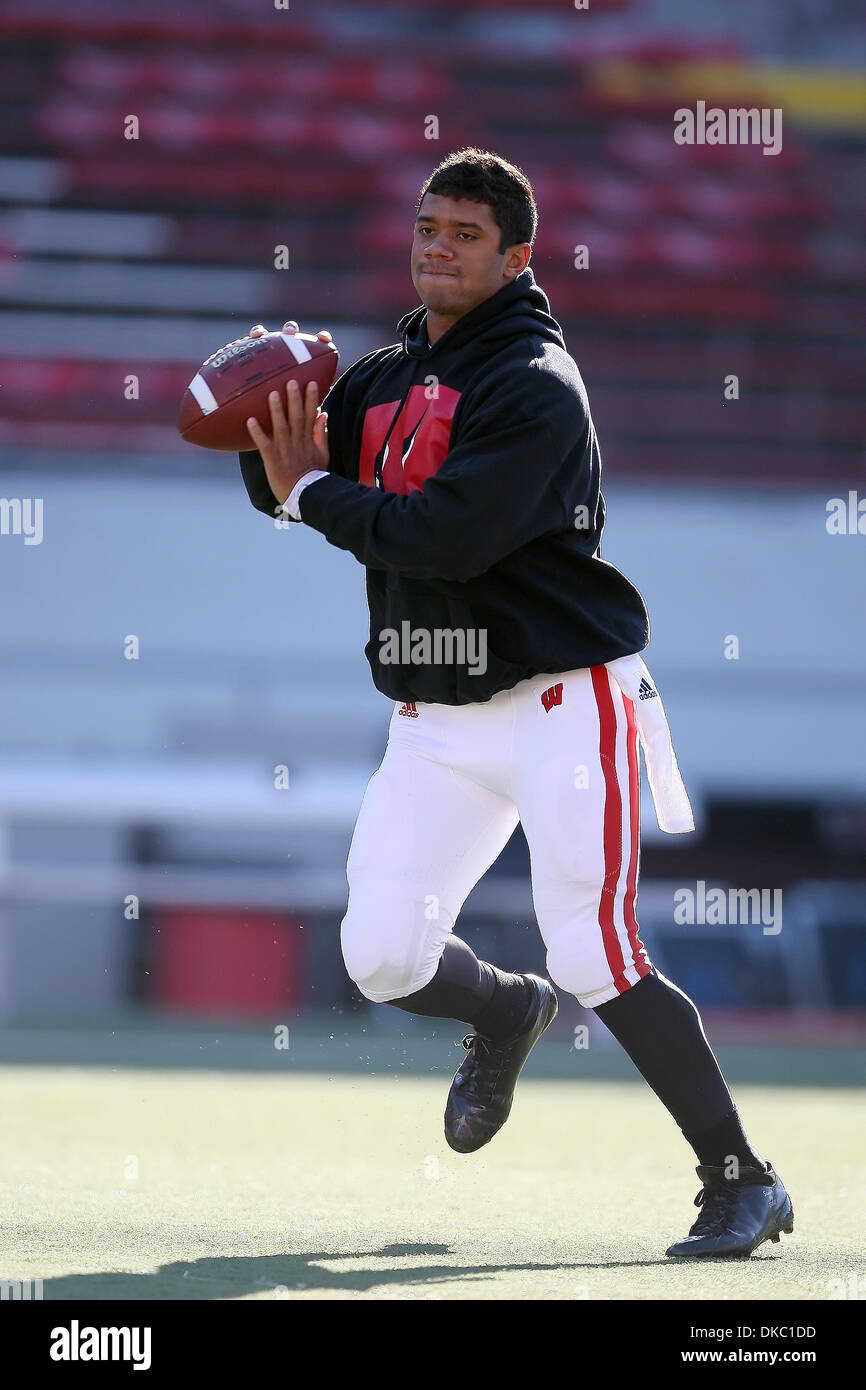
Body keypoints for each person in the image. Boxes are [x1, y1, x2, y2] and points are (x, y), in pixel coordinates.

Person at [238, 148, 792, 1258]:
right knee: (382, 954)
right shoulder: (387, 370)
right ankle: (502, 1008)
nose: (437, 246)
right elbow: (285, 485)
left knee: (594, 948)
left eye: (466, 234)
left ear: (517, 257)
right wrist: (266, 429)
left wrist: (307, 491)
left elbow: (440, 536)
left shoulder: (535, 383)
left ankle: (741, 1176)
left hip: (561, 704)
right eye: (428, 225)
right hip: (435, 715)